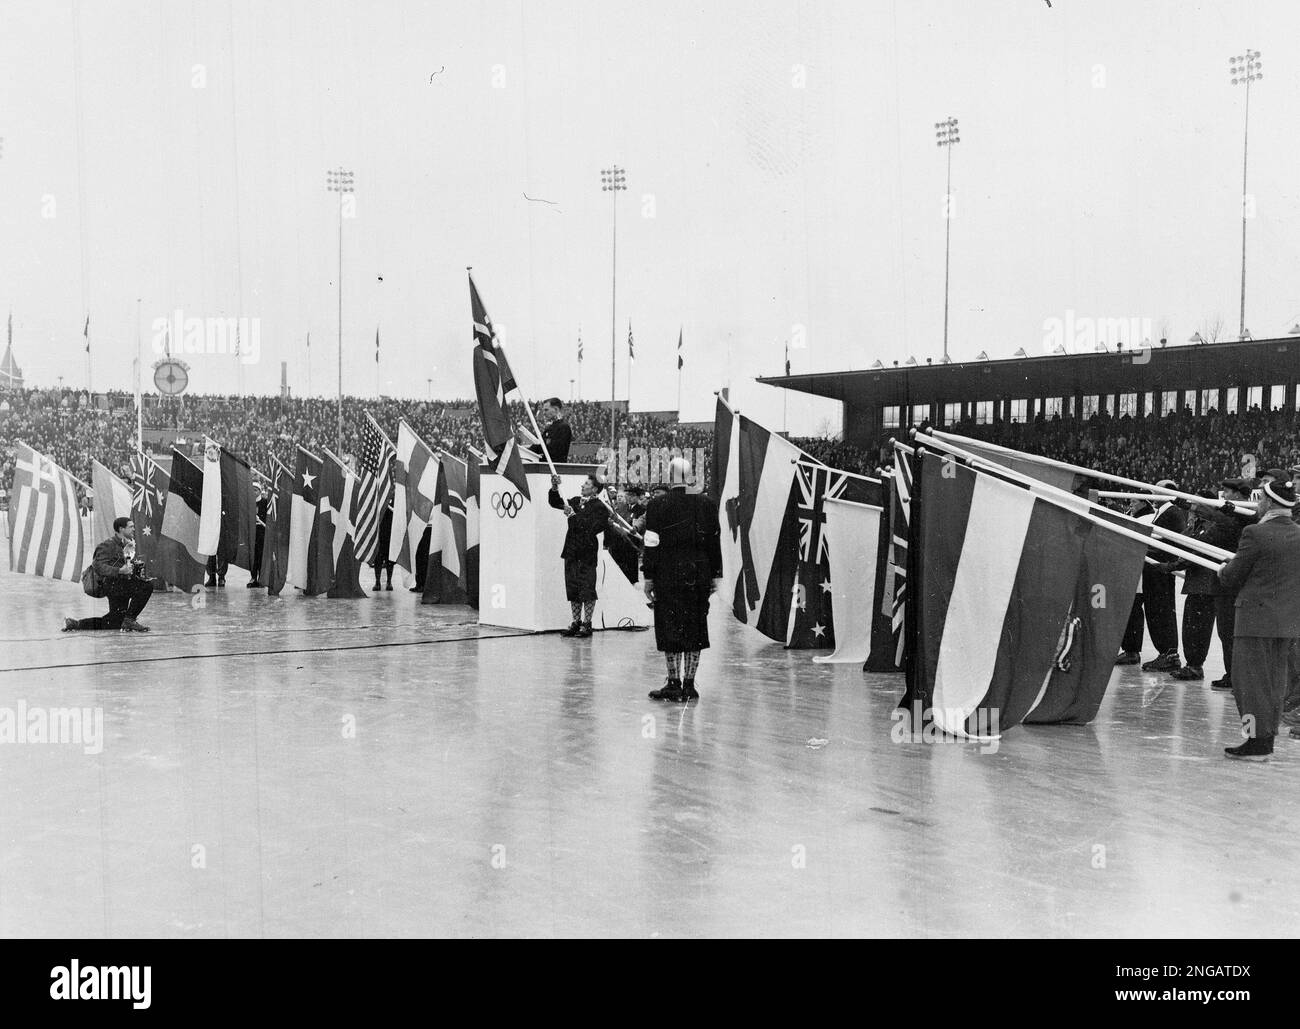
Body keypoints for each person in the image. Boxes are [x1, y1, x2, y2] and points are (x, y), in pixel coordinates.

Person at [1216, 469, 1300, 760]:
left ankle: (1255, 742)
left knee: (1249, 685)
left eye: (1261, 497)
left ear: (1270, 502)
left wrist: (1222, 568)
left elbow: (1232, 577)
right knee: (1275, 684)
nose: (1258, 502)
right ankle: (1267, 739)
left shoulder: (1255, 533)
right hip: (1285, 622)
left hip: (1254, 620)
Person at [642, 457, 722, 702]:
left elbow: (651, 543)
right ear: (691, 477)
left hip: (668, 573)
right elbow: (714, 541)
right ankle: (689, 684)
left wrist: (648, 576)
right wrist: (716, 574)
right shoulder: (707, 504)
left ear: (670, 477)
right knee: (696, 627)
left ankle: (673, 682)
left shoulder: (657, 505)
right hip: (699, 573)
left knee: (669, 626)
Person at [63, 516, 154, 633]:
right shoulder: (107, 545)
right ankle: (130, 619)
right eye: (131, 527)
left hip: (120, 584)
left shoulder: (127, 544)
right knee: (146, 586)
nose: (134, 529)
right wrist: (120, 571)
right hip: (112, 585)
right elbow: (98, 566)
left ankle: (76, 624)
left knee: (114, 621)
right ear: (121, 529)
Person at [549, 472, 611, 637]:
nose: (582, 486)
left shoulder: (600, 508)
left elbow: (590, 529)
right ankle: (576, 622)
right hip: (571, 550)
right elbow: (555, 502)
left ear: (595, 489)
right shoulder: (576, 501)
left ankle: (587, 623)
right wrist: (555, 487)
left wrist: (573, 516)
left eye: (587, 484)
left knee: (587, 587)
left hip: (587, 552)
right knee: (573, 587)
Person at [1140, 481, 1188, 672]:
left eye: (1156, 491)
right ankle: (1165, 652)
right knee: (1155, 609)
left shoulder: (1173, 512)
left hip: (1161, 569)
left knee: (1162, 610)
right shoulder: (1163, 512)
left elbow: (1172, 542)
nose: (1152, 493)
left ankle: (1169, 653)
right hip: (1154, 568)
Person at [247, 481, 269, 588]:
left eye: (255, 490)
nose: (253, 492)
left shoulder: (265, 502)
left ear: (260, 491)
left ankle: (261, 578)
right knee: (253, 556)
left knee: (261, 556)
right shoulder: (249, 503)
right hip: (252, 533)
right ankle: (253, 577)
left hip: (262, 532)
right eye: (252, 490)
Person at [372, 498, 395, 591]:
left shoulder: (395, 497)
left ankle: (389, 581)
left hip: (391, 529)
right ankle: (377, 582)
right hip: (378, 529)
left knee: (390, 557)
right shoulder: (377, 494)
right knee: (378, 557)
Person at [540, 398, 572, 463]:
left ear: (556, 409)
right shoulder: (549, 428)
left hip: (556, 469)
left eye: (546, 410)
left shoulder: (564, 427)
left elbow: (557, 452)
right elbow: (541, 446)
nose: (544, 413)